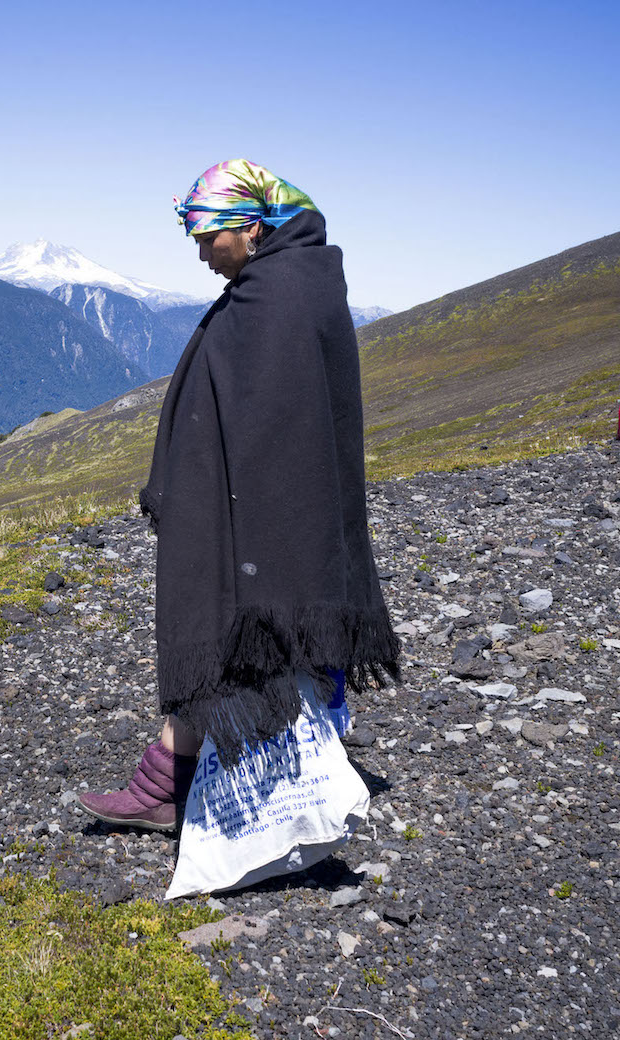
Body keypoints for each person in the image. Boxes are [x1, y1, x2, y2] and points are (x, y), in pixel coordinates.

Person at [78, 159, 400, 832]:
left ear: (250, 228)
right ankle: (182, 773)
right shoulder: (303, 280)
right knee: (253, 626)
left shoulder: (275, 297)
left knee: (227, 615)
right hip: (290, 503)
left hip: (257, 506)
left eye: (207, 239)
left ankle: (175, 781)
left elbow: (267, 419)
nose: (201, 256)